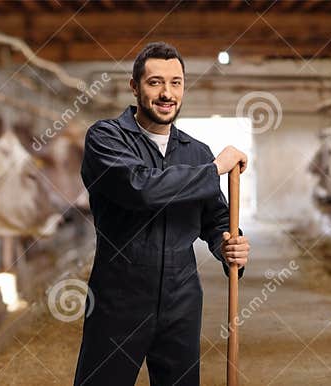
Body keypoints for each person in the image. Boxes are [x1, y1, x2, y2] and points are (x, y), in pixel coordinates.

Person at [74, 41, 251, 385]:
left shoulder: (196, 152)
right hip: (119, 297)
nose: (167, 93)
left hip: (181, 297)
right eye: (155, 82)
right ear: (135, 87)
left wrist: (229, 244)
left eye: (176, 82)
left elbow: (214, 218)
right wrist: (214, 169)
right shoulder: (106, 138)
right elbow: (141, 188)